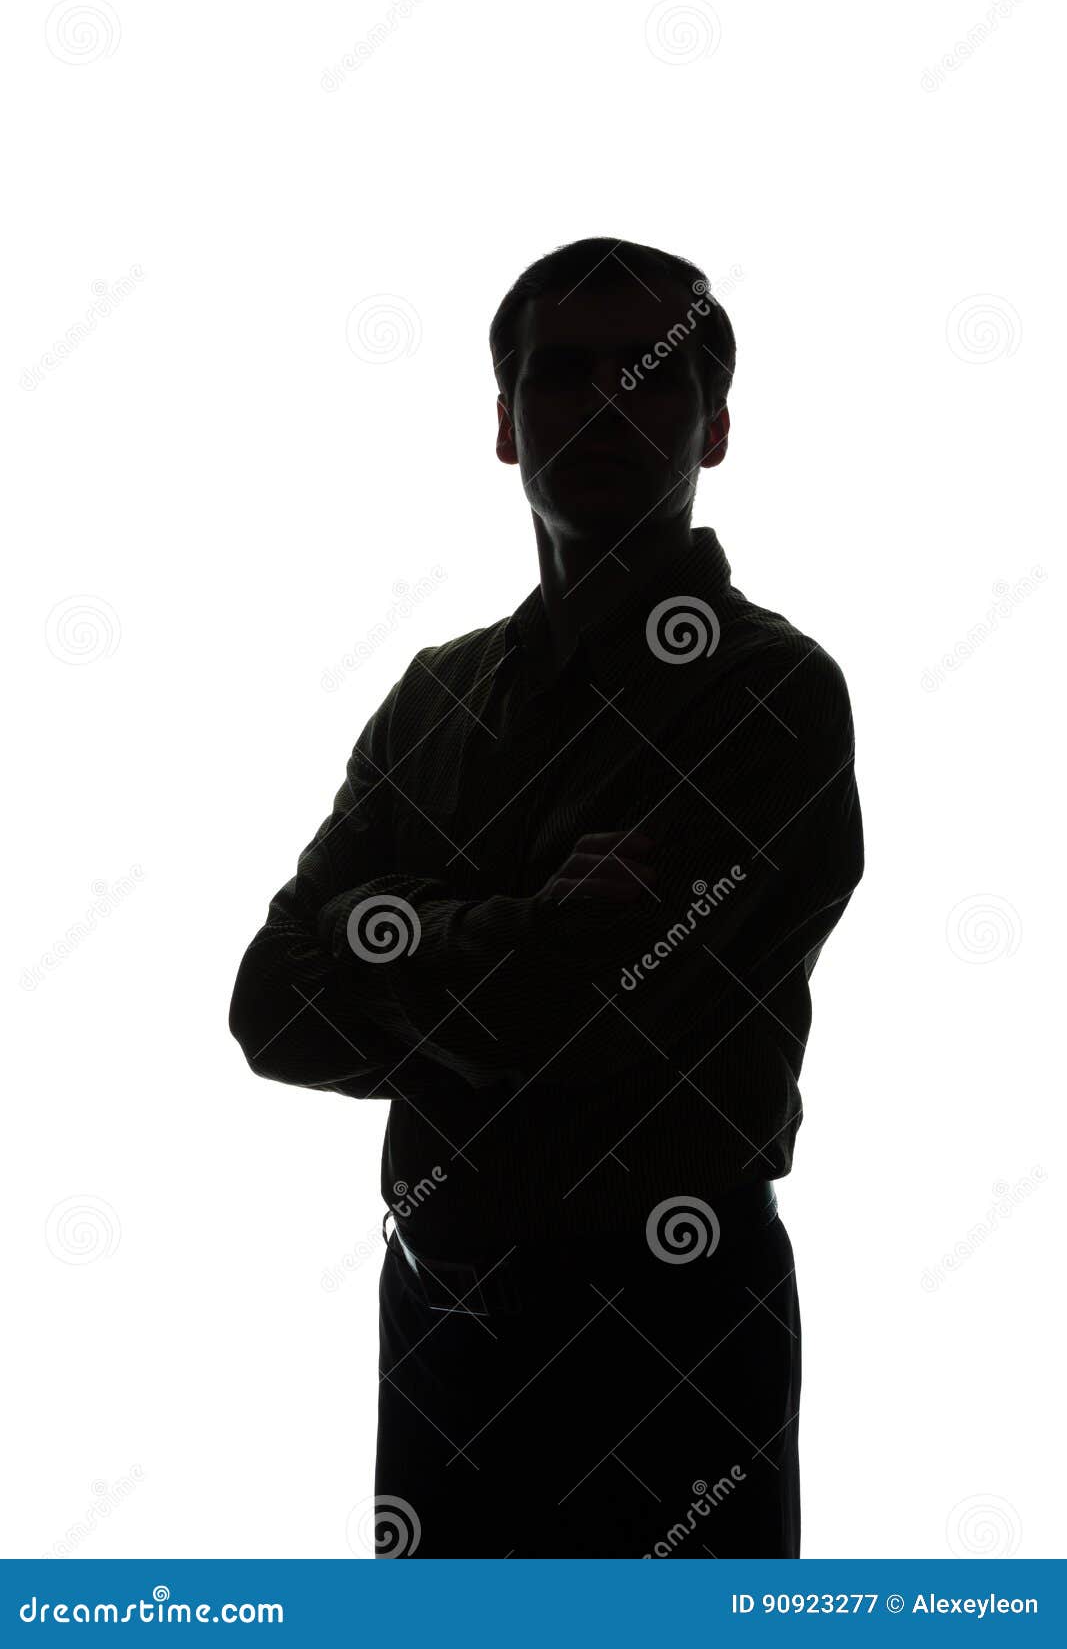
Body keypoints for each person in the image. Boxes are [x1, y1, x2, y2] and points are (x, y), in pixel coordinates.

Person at [228, 236, 865, 1558]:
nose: (606, 402)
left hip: (678, 1342)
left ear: (718, 420)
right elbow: (270, 999)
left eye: (649, 373)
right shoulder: (436, 698)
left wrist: (397, 927)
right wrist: (521, 924)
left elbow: (595, 1016)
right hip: (448, 1335)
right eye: (563, 374)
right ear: (506, 424)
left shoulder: (770, 695)